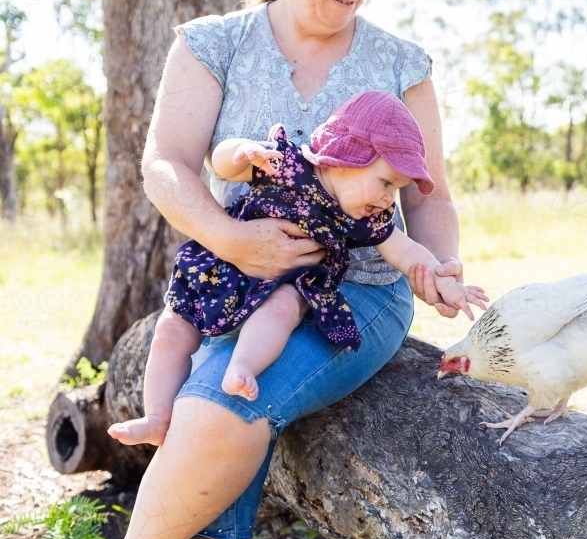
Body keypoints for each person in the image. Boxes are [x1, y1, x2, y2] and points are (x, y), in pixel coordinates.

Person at [98, 0, 465, 539]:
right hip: (237, 280)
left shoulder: (402, 64)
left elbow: (427, 197)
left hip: (353, 291)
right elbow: (167, 164)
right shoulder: (214, 44)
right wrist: (232, 239)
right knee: (200, 526)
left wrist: (440, 267)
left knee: (214, 410)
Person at [106, 92, 487, 447]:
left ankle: (242, 368)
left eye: (397, 187)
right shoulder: (284, 164)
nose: (390, 198)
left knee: (284, 310)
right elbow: (220, 162)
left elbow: (406, 251)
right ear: (347, 157)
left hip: (292, 281)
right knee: (172, 328)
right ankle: (156, 415)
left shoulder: (368, 216)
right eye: (386, 182)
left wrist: (443, 279)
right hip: (227, 266)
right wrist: (242, 152)